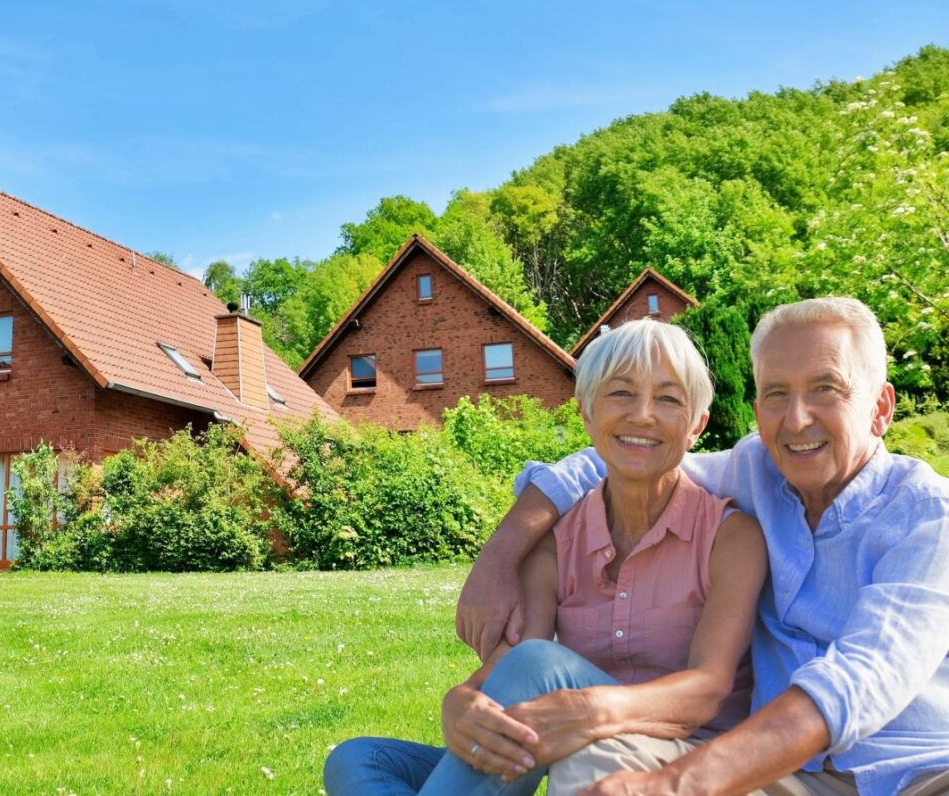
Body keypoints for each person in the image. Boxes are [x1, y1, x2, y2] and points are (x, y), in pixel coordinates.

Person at [458, 297, 949, 796]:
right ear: (758, 412)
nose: (797, 420)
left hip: (919, 774)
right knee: (602, 751)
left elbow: (863, 679)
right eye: (777, 394)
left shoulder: (929, 516)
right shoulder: (757, 470)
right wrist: (496, 559)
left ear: (880, 408)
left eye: (826, 389)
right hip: (787, 777)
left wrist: (675, 784)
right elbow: (621, 454)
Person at [325, 319, 768, 795]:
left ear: (696, 426)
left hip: (686, 762)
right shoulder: (557, 542)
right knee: (358, 760)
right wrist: (461, 701)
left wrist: (582, 710)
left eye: (668, 399)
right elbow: (509, 668)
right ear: (586, 414)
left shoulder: (732, 536)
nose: (643, 415)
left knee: (541, 667)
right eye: (621, 394)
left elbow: (707, 691)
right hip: (572, 749)